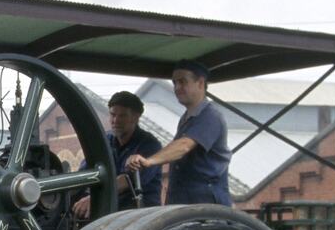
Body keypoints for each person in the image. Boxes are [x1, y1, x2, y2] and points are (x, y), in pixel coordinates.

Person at [125, 60, 232, 206]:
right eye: (175, 83)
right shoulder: (186, 118)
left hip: (206, 204)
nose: (177, 88)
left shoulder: (210, 116)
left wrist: (149, 161)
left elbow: (183, 146)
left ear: (200, 83)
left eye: (182, 82)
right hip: (184, 201)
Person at [71, 91, 162, 218]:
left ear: (136, 117)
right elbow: (85, 173)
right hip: (111, 210)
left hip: (141, 213)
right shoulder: (104, 141)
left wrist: (93, 199)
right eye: (113, 115)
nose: (115, 120)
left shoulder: (150, 146)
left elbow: (129, 180)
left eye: (122, 116)